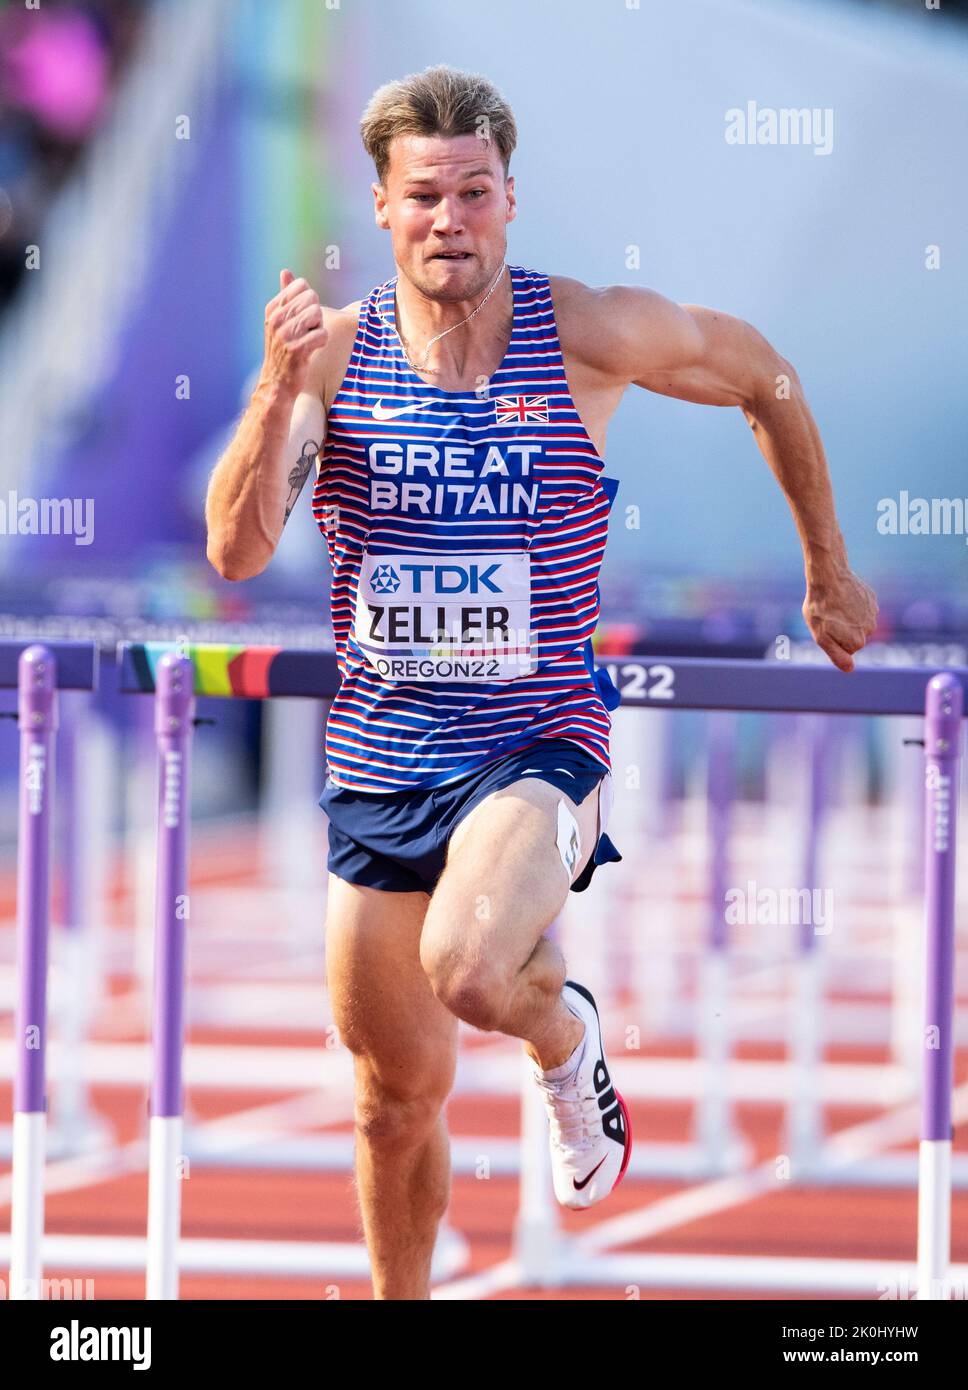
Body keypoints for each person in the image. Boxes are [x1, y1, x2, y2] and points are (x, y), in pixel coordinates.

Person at [204, 64, 878, 1300]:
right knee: (389, 1104)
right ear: (381, 208)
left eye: (473, 192)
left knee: (467, 969)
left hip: (537, 743)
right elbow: (238, 551)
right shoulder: (329, 362)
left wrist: (825, 569)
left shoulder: (587, 333)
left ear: (509, 200)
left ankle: (565, 1044)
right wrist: (267, 384)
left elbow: (763, 375)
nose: (448, 219)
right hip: (377, 763)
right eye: (423, 197)